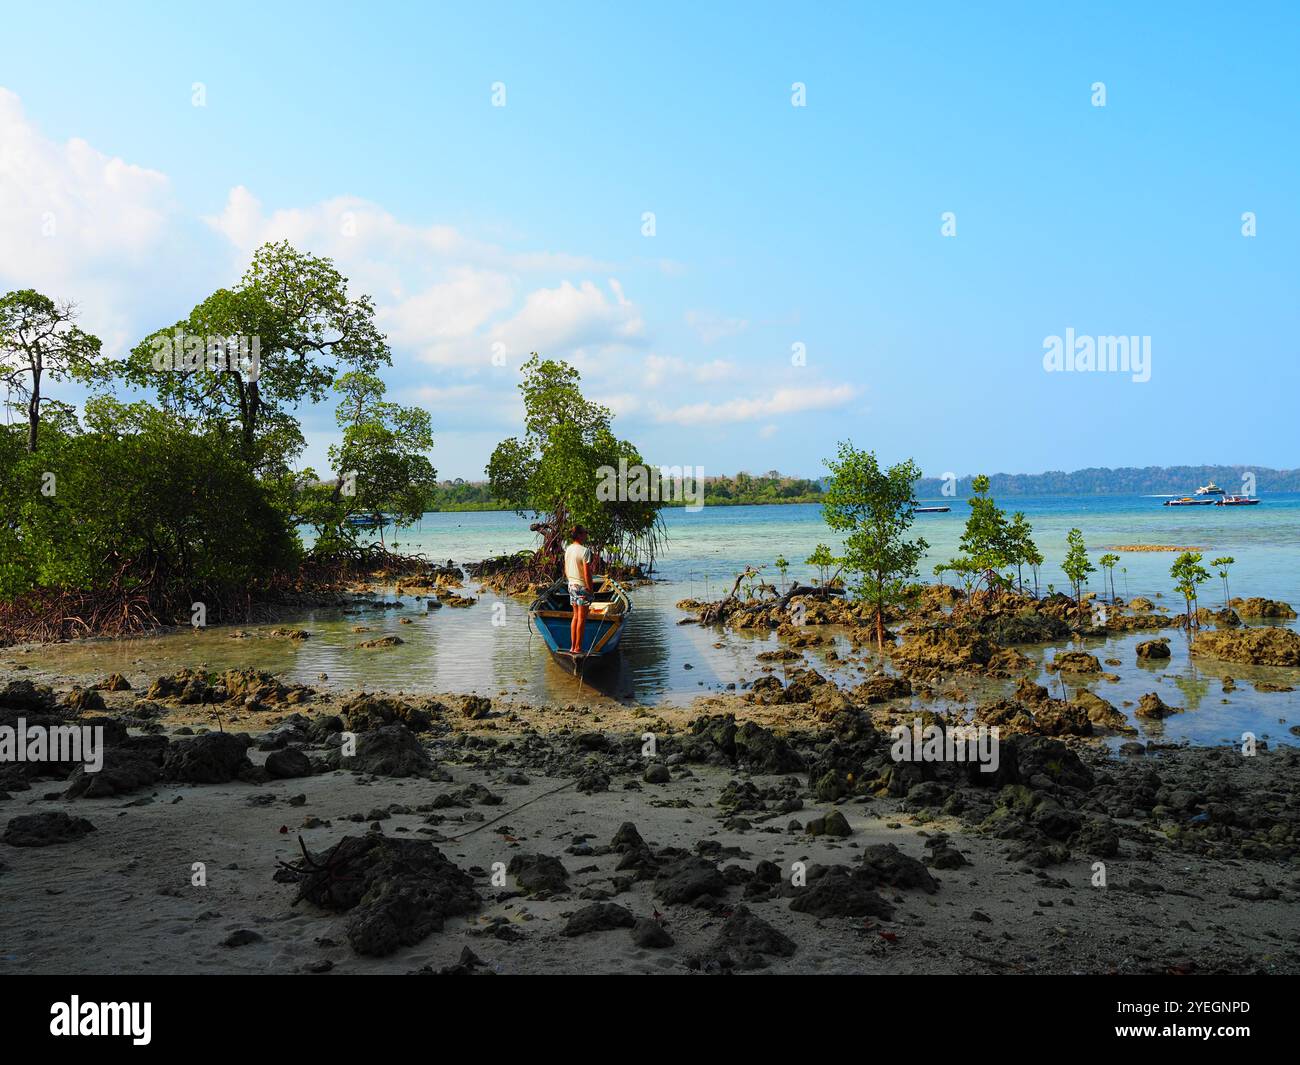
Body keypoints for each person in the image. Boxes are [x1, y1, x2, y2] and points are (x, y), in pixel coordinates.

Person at [563, 525, 594, 654]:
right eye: (585, 533)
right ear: (580, 535)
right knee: (581, 618)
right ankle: (578, 648)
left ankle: (572, 647)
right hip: (582, 586)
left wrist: (571, 582)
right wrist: (590, 589)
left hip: (571, 585)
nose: (586, 535)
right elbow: (587, 574)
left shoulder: (568, 549)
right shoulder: (585, 551)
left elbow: (565, 569)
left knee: (575, 616)